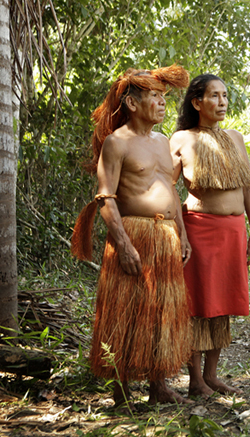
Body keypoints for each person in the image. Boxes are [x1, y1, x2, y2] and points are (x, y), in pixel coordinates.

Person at [71, 65, 193, 407]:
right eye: (154, 96)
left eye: (162, 97)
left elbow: (170, 192)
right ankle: (121, 392)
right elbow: (106, 197)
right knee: (125, 309)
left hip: (165, 235)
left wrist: (181, 235)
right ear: (132, 103)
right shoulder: (117, 142)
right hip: (133, 233)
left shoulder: (163, 141)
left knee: (161, 310)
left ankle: (159, 388)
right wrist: (122, 243)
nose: (161, 103)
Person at [169, 74, 250, 397]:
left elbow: (247, 185)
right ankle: (195, 380)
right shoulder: (182, 139)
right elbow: (166, 187)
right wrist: (179, 232)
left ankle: (212, 375)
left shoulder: (235, 138)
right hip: (199, 229)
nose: (222, 102)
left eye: (224, 96)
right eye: (214, 96)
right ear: (197, 102)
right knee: (197, 303)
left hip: (233, 231)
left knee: (222, 303)